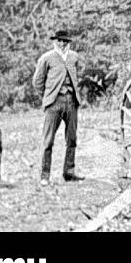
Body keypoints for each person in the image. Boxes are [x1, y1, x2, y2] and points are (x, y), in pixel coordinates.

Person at [31, 29, 83, 185]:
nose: (62, 44)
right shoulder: (46, 58)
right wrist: (48, 97)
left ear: (68, 42)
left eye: (65, 41)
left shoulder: (74, 57)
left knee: (72, 139)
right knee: (48, 141)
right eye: (59, 41)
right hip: (54, 103)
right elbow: (37, 81)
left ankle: (69, 172)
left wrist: (73, 94)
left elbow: (76, 76)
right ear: (55, 42)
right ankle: (45, 176)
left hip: (72, 102)